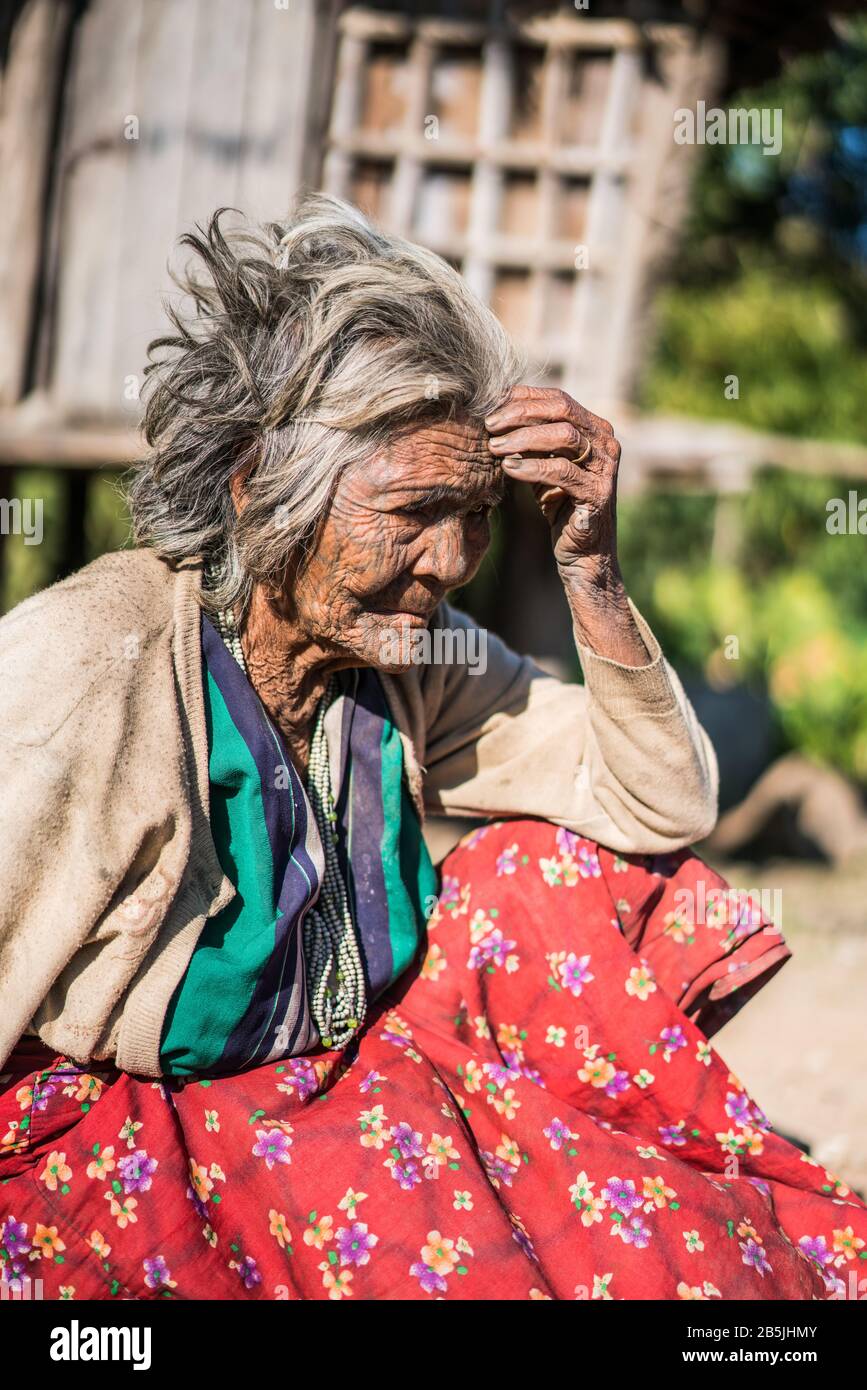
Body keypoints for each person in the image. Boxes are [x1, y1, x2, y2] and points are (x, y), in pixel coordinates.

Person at [0, 195, 861, 1301]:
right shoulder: (91, 665)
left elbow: (660, 805)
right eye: (413, 512)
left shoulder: (403, 656)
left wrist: (591, 570)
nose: (452, 558)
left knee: (547, 880)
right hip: (128, 1132)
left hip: (338, 1064)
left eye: (477, 513)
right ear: (260, 488)